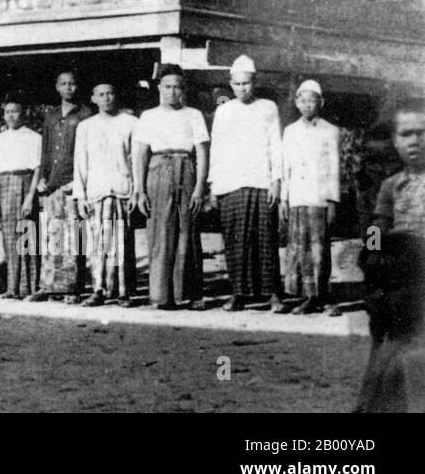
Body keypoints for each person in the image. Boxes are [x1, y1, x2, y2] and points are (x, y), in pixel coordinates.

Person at [355, 99, 425, 411]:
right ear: (395, 140)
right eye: (406, 134)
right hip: (402, 281)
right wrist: (372, 258)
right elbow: (377, 229)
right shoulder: (391, 186)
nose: (415, 141)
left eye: (422, 132)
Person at [209, 54, 284, 313]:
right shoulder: (224, 111)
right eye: (238, 84)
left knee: (265, 239)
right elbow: (217, 149)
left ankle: (272, 293)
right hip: (231, 183)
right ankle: (238, 293)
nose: (242, 89)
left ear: (255, 82)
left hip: (261, 181)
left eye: (247, 83)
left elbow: (276, 145)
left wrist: (276, 181)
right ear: (231, 84)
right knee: (236, 240)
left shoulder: (268, 107)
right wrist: (213, 185)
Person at [133, 65, 209, 310]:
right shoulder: (148, 116)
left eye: (177, 87)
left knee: (187, 229)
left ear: (183, 89)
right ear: (159, 88)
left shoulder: (194, 115)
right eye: (167, 86)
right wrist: (140, 189)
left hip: (185, 167)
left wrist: (199, 189)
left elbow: (202, 152)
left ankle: (189, 294)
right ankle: (162, 296)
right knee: (160, 231)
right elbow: (141, 154)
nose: (172, 91)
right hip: (158, 170)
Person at [74, 82, 139, 307]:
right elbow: (80, 162)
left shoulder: (130, 122)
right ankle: (98, 289)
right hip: (96, 191)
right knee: (98, 243)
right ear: (93, 98)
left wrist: (136, 191)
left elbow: (135, 160)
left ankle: (122, 292)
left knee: (121, 242)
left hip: (122, 190)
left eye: (110, 93)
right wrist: (80, 196)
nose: (106, 98)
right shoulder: (86, 126)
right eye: (101, 94)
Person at [280, 80, 341, 315]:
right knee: (299, 248)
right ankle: (305, 295)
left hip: (319, 197)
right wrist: (284, 199)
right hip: (298, 196)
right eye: (303, 100)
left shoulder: (330, 130)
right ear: (297, 102)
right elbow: (286, 167)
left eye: (312, 100)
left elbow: (334, 168)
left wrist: (332, 201)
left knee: (319, 249)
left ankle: (321, 296)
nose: (307, 105)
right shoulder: (290, 131)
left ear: (320, 102)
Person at [33, 70, 92, 303]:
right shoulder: (51, 115)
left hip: (72, 183)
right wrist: (42, 177)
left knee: (73, 236)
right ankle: (48, 286)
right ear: (57, 87)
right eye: (63, 84)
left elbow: (87, 152)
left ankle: (71, 288)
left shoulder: (86, 114)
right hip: (52, 184)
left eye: (72, 84)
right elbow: (46, 149)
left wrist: (78, 182)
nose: (68, 88)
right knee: (52, 235)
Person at [0, 93, 40, 300]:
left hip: (25, 182)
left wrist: (29, 197)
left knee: (26, 234)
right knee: (10, 237)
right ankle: (12, 288)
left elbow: (37, 169)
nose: (11, 115)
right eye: (7, 112)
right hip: (5, 184)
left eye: (15, 112)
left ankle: (30, 287)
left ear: (23, 114)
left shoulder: (34, 137)